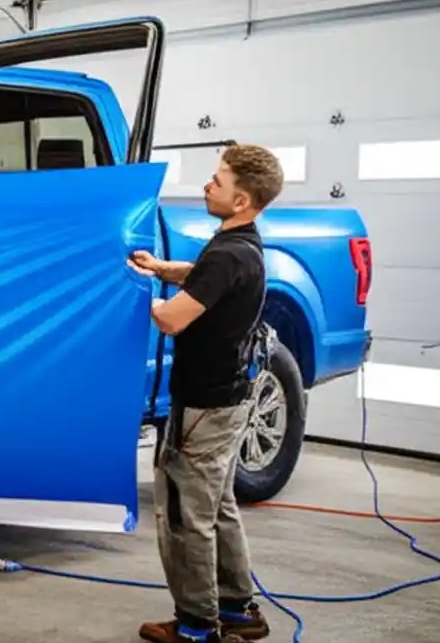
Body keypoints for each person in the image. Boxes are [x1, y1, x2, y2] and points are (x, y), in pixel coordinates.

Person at [127, 144, 284, 643]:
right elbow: (205, 279)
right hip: (229, 400)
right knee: (217, 507)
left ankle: (197, 625)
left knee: (185, 514)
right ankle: (238, 609)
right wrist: (160, 268)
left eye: (218, 180)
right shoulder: (244, 246)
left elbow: (172, 319)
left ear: (241, 200)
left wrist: (127, 291)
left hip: (203, 407)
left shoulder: (228, 253)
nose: (206, 185)